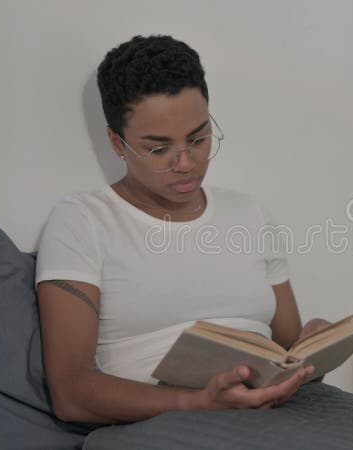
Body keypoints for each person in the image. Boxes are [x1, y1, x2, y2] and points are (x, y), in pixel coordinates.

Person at [35, 34, 329, 424]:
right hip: (165, 424)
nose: (186, 163)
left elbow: (286, 350)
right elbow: (71, 394)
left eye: (199, 138)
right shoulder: (82, 221)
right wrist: (202, 402)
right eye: (159, 149)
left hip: (271, 414)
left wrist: (314, 347)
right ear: (117, 143)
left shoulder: (250, 214)